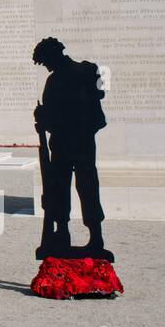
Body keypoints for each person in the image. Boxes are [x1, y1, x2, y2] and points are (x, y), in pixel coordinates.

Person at [33, 37, 108, 253]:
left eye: (46, 62)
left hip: (68, 141)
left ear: (54, 56)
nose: (46, 67)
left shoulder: (63, 78)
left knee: (69, 187)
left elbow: (57, 113)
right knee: (79, 188)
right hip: (80, 141)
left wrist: (42, 116)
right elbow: (98, 95)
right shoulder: (86, 71)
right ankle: (88, 235)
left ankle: (68, 232)